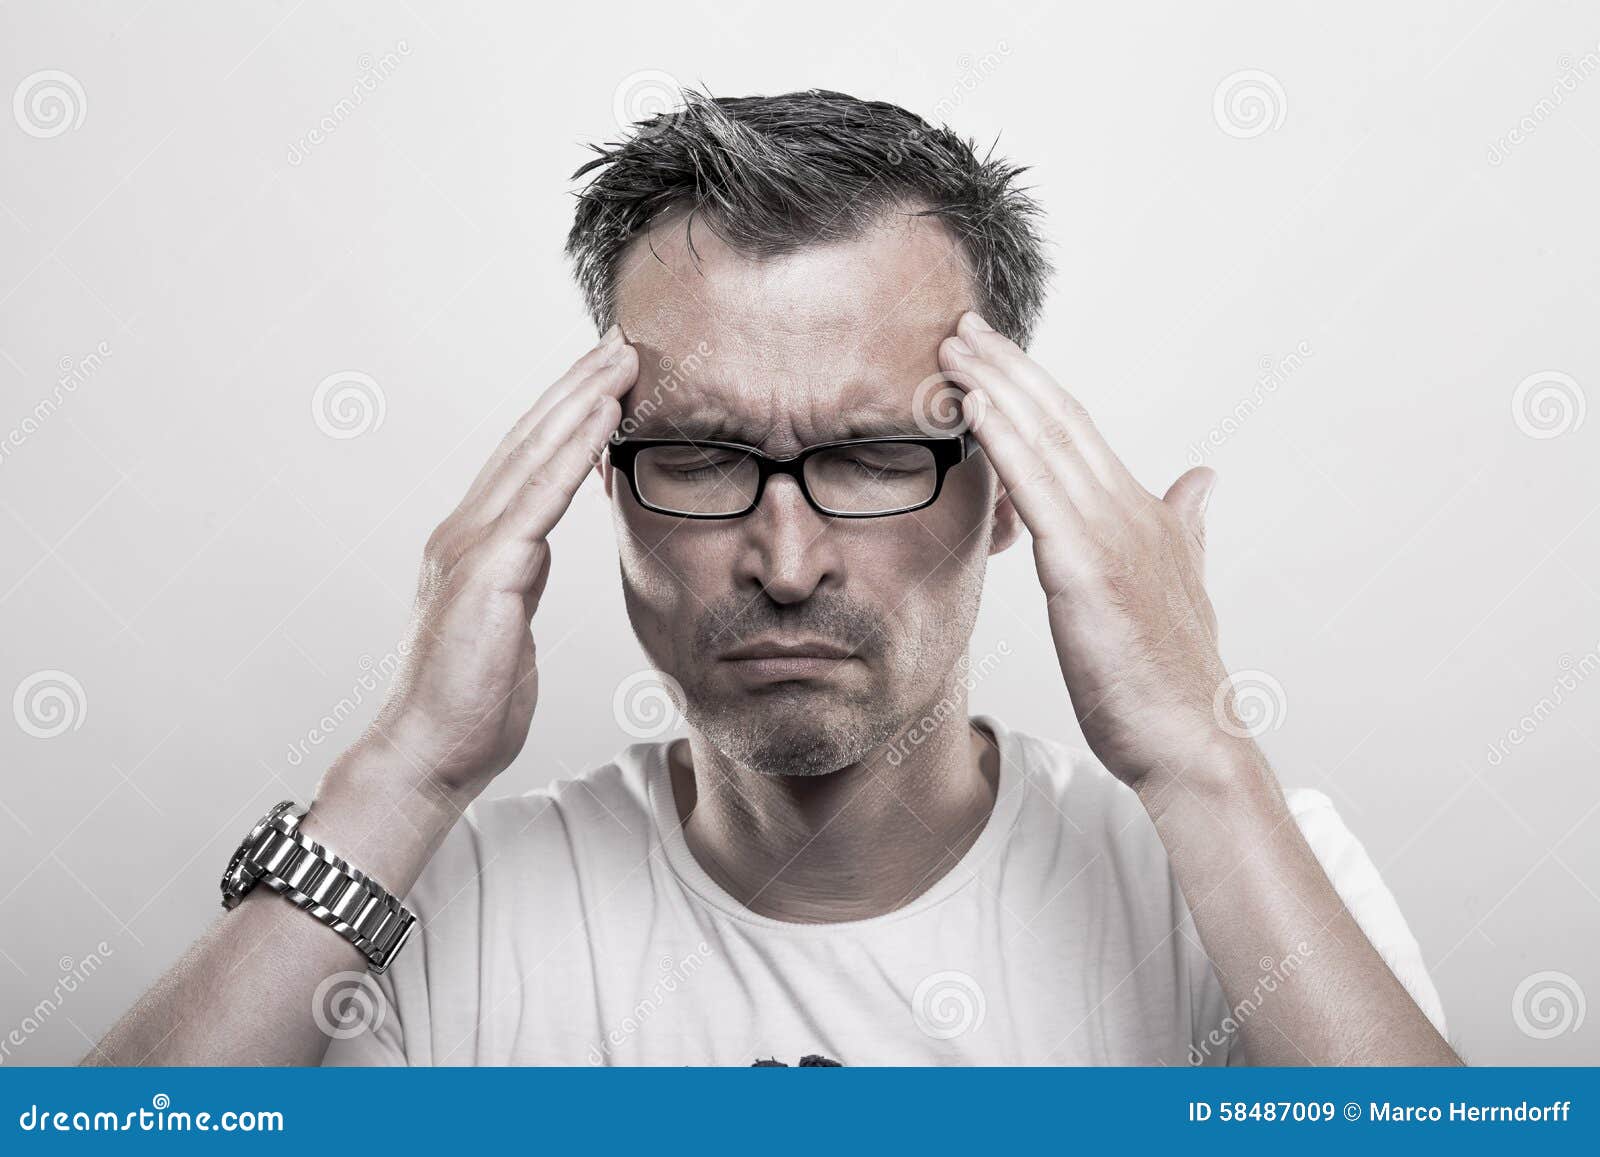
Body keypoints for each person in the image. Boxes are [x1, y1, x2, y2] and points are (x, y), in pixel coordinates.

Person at [87, 89, 1458, 1067]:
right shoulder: (441, 912)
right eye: (698, 454)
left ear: (1009, 492)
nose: (789, 561)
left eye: (871, 456)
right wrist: (397, 775)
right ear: (600, 484)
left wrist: (1199, 758)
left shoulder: (1237, 881)